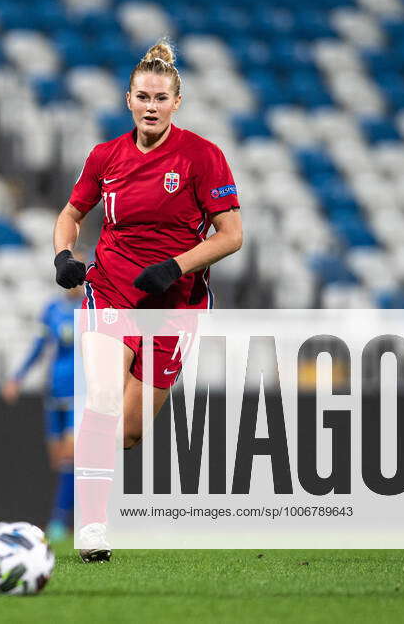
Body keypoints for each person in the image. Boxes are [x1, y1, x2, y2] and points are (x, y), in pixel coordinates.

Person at [52, 40, 243, 562]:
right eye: (143, 96)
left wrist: (176, 267)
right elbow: (70, 215)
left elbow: (232, 234)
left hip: (173, 302)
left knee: (130, 431)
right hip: (110, 288)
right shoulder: (104, 156)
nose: (151, 106)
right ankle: (91, 527)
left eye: (161, 97)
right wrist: (65, 257)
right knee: (103, 401)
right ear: (128, 100)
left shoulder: (202, 156)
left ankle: (93, 455)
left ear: (176, 102)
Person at [2, 283, 84, 541]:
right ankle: (74, 514)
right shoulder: (52, 309)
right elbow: (39, 346)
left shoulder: (91, 307)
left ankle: (60, 521)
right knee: (59, 461)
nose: (77, 281)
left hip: (79, 391)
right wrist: (18, 376)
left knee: (71, 457)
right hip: (54, 391)